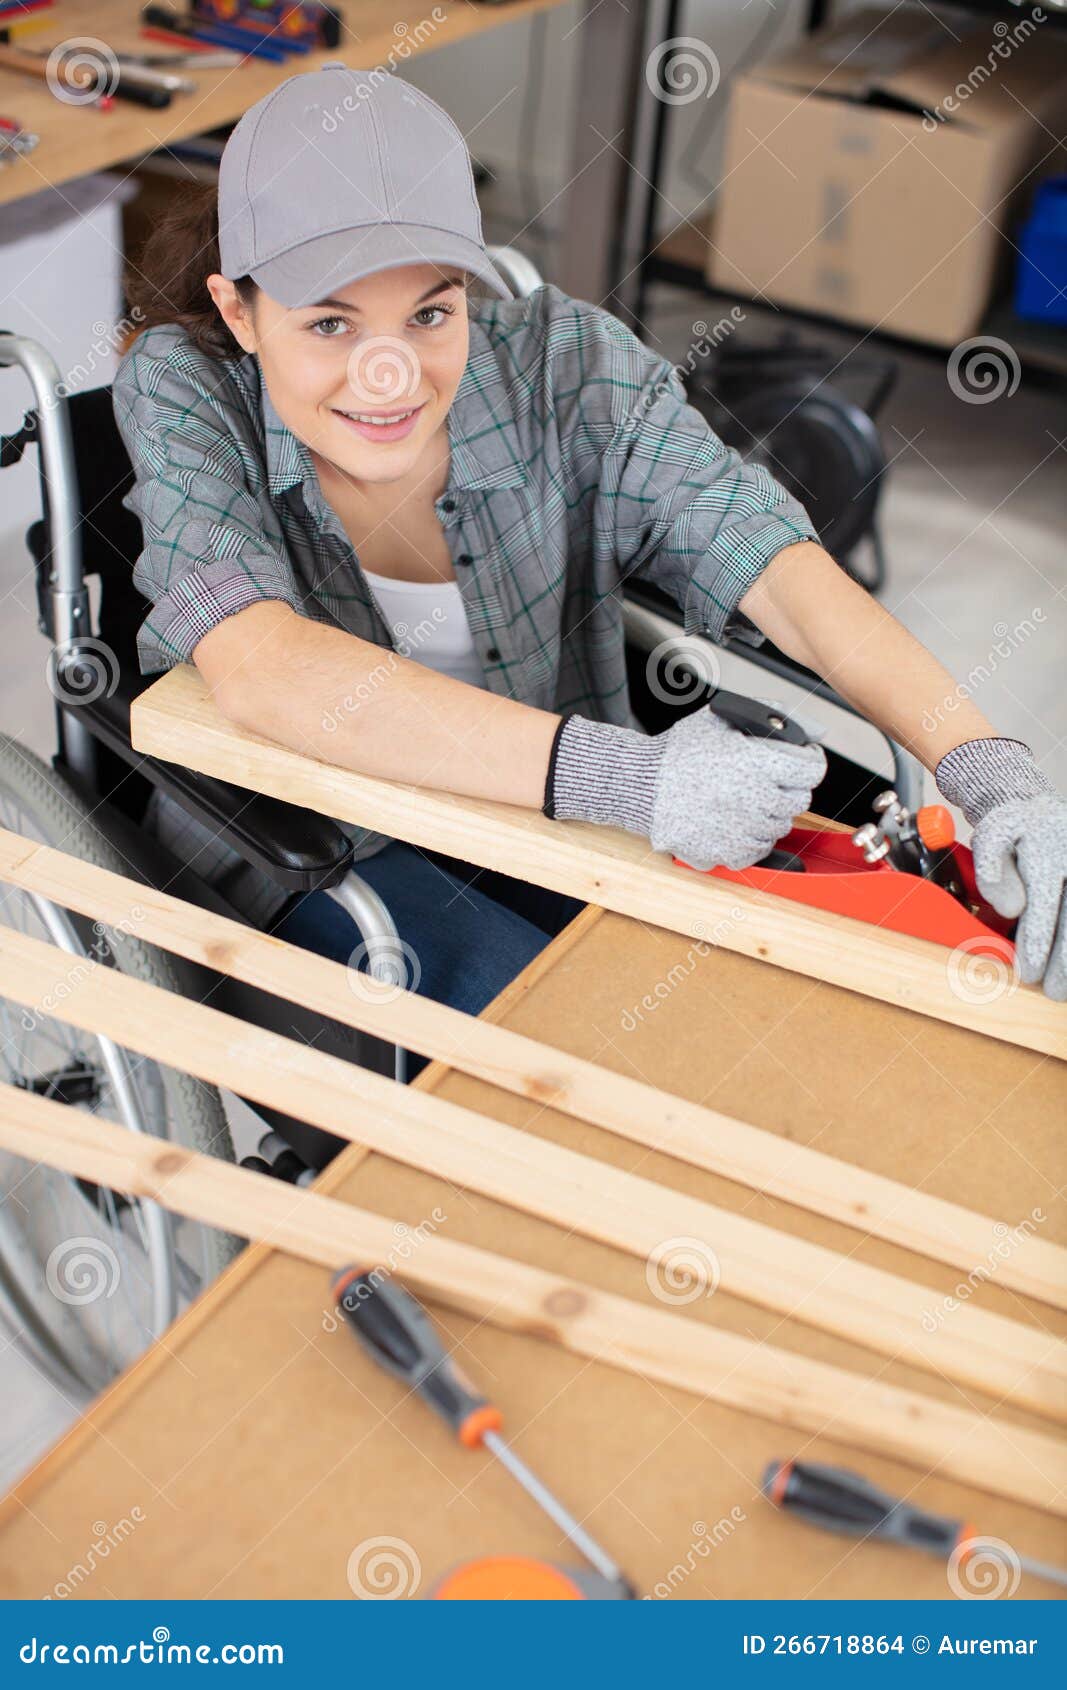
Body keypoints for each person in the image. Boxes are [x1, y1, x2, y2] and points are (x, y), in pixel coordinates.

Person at [114, 62, 1066, 1057]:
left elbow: (768, 556)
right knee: (601, 1059)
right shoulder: (183, 392)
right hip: (316, 848)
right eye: (328, 325)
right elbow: (263, 668)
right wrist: (628, 780)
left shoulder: (565, 365)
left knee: (799, 1026)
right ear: (237, 311)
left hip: (558, 818)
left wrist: (984, 763)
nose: (387, 373)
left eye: (430, 314)